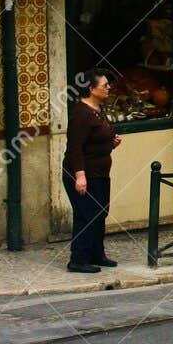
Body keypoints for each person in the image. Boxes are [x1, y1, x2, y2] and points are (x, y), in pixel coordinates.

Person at [63, 69, 122, 273]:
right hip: (84, 174)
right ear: (91, 89)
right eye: (104, 85)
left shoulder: (97, 110)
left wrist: (111, 143)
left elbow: (97, 138)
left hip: (100, 173)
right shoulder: (81, 114)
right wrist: (80, 176)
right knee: (86, 215)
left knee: (100, 213)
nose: (108, 88)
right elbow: (75, 148)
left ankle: (97, 254)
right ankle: (78, 259)